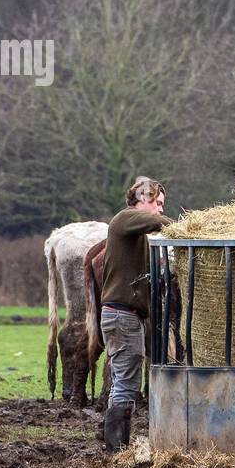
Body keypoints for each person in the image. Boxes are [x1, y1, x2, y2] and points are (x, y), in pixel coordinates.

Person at [100, 176, 172, 452]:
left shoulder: (136, 233)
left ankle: (117, 445)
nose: (161, 210)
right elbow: (160, 223)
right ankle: (117, 449)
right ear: (143, 197)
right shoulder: (124, 220)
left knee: (124, 381)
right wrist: (186, 226)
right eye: (158, 203)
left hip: (124, 316)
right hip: (122, 316)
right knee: (127, 384)